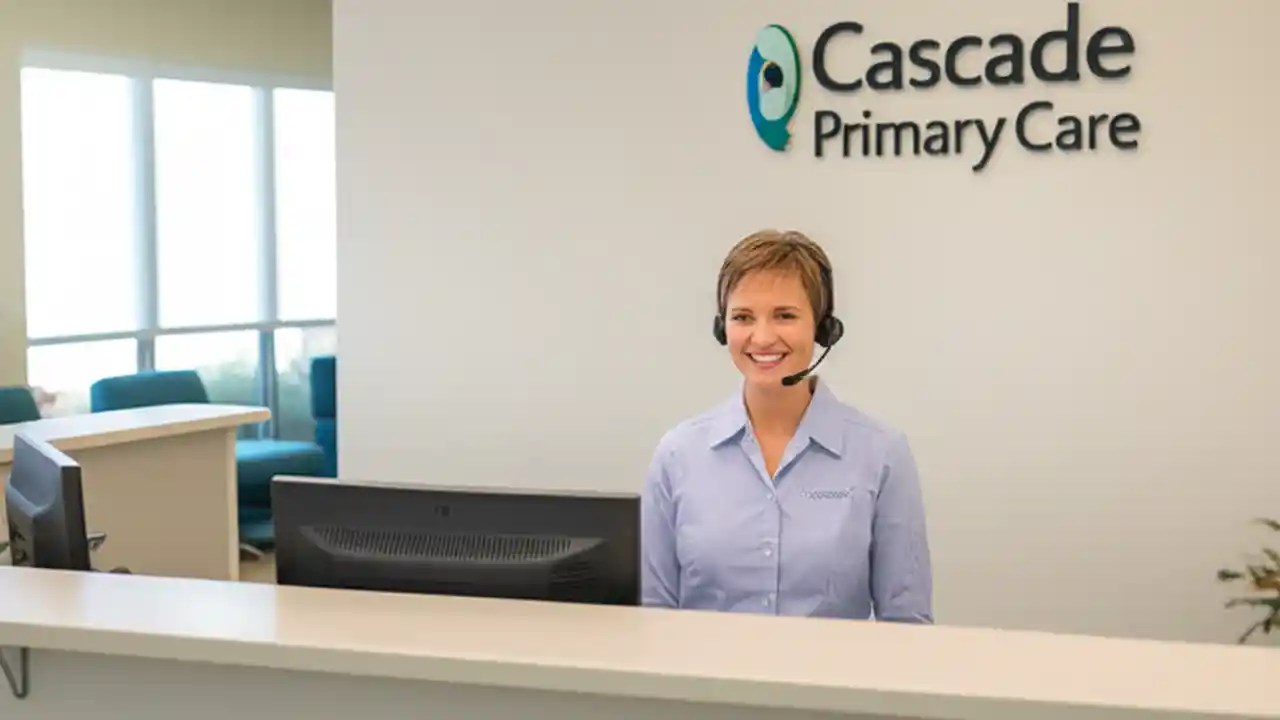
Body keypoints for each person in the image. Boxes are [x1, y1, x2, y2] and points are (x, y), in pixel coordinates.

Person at [640, 229, 932, 622]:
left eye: (785, 316)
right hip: (707, 684)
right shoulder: (678, 455)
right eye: (743, 317)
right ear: (721, 327)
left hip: (832, 683)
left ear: (824, 328)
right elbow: (650, 619)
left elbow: (907, 625)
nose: (762, 337)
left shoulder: (881, 455)